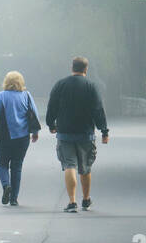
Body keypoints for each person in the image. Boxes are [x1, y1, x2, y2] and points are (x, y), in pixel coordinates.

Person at [44, 55, 110, 212]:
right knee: (85, 168)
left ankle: (72, 202)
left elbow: (51, 106)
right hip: (85, 133)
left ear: (72, 68)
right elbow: (98, 109)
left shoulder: (60, 84)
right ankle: (86, 200)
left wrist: (50, 124)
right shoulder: (91, 86)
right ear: (86, 69)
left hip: (65, 133)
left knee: (69, 165)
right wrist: (104, 130)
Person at [0, 71, 41, 206]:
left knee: (2, 164)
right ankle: (14, 199)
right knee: (17, 166)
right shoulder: (26, 95)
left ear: (6, 82)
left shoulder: (1, 96)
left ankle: (6, 186)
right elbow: (34, 114)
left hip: (3, 137)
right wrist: (35, 132)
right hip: (22, 137)